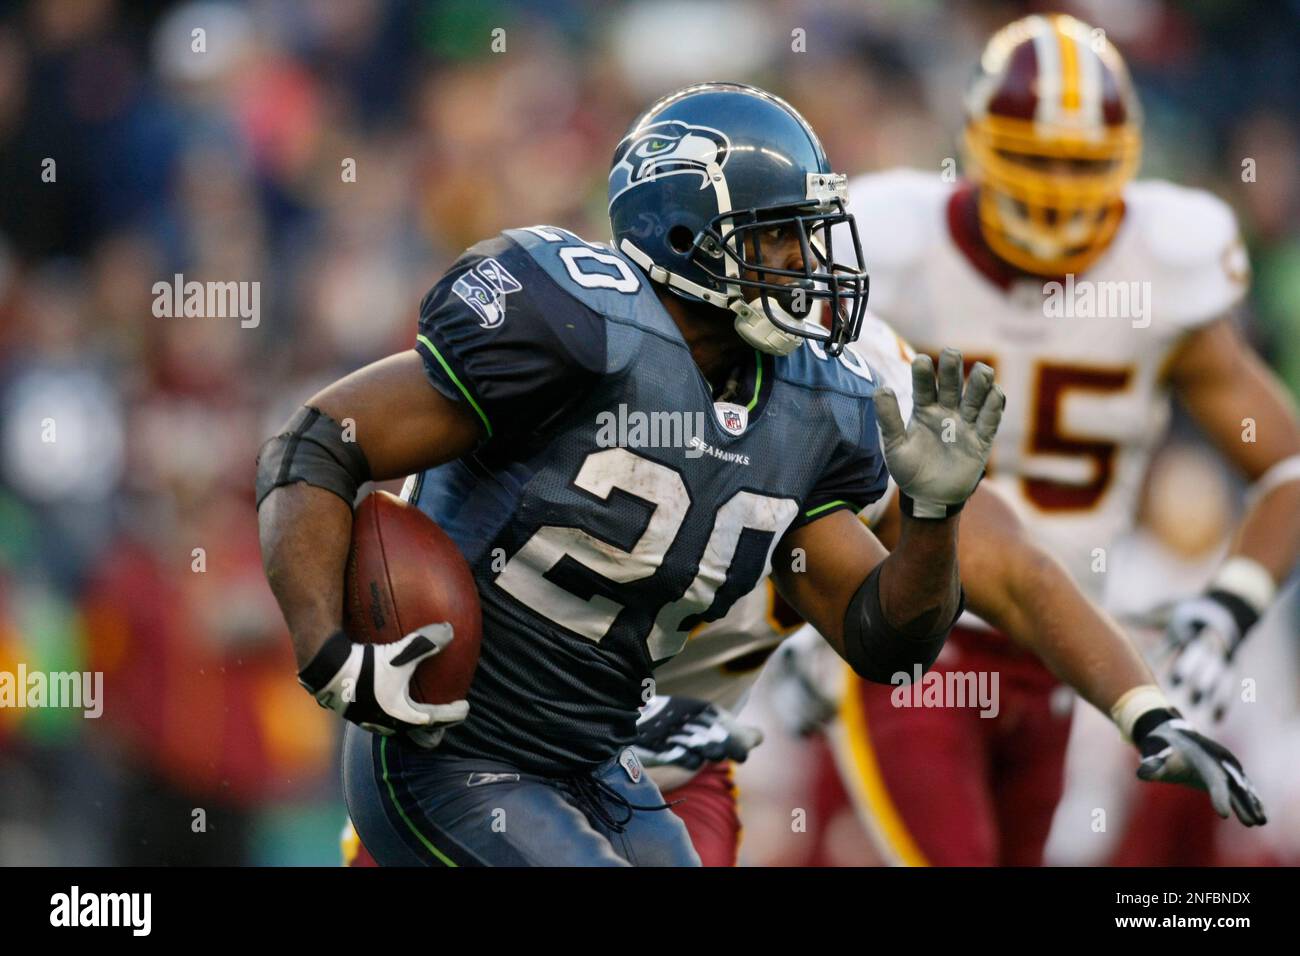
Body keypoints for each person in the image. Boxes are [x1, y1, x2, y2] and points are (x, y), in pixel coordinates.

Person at [256, 82, 1003, 866]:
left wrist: (932, 515)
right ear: (687, 234)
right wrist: (329, 652)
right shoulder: (575, 327)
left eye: (808, 235)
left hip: (599, 764)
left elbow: (886, 644)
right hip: (450, 747)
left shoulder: (816, 407)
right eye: (779, 232)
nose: (803, 262)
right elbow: (315, 444)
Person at [825, 13, 1300, 865]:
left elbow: (1290, 469)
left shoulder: (1164, 263)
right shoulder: (892, 244)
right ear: (977, 142)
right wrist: (805, 607)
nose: (1053, 188)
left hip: (1070, 655)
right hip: (919, 638)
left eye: (1079, 166)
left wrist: (1228, 609)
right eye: (1035, 158)